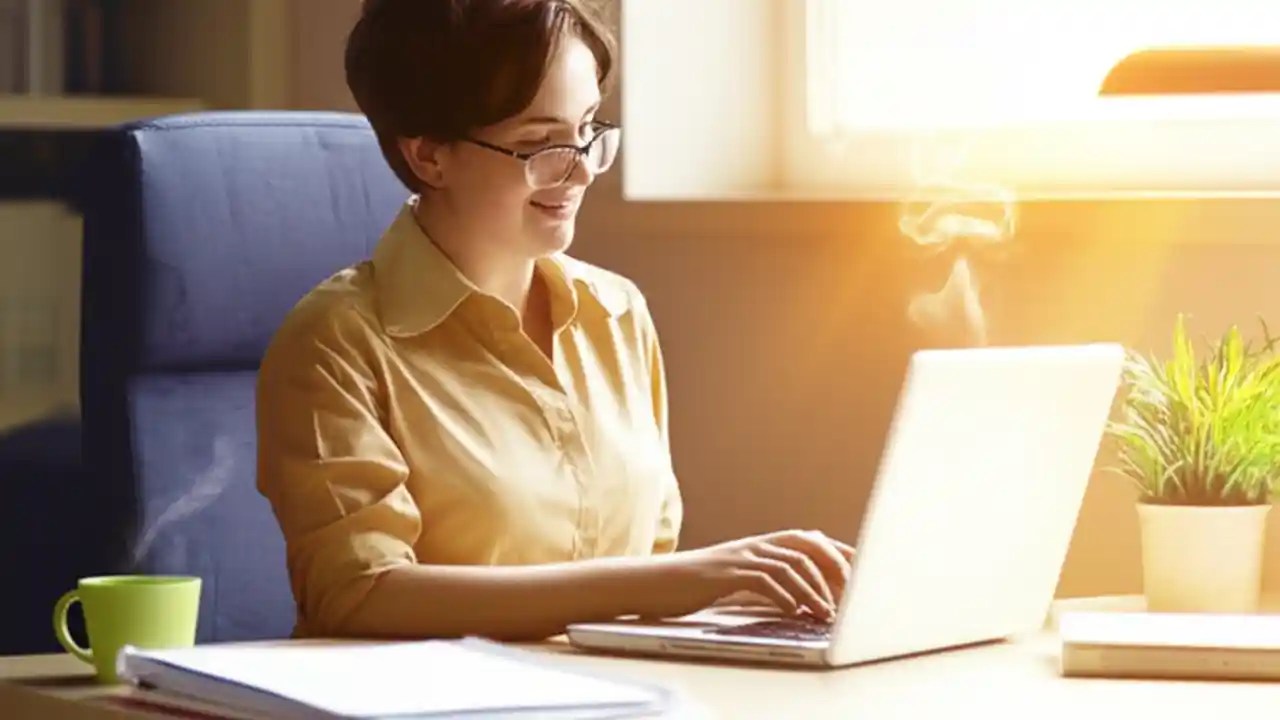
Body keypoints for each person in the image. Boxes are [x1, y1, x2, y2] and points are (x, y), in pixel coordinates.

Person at [255, 0, 855, 642]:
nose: (579, 170)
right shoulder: (335, 340)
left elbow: (651, 563)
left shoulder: (617, 313)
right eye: (538, 145)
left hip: (616, 693)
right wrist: (677, 582)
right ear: (429, 155)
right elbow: (359, 593)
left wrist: (741, 597)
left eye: (588, 130)